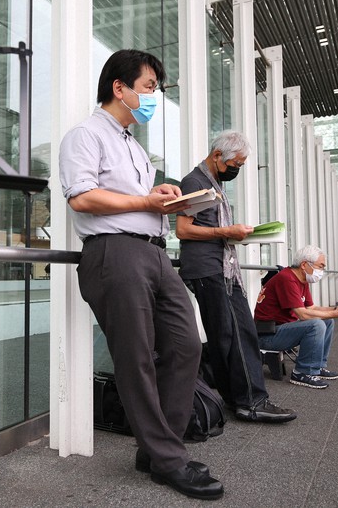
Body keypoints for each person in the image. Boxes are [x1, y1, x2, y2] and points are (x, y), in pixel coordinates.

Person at [59, 49, 222, 501]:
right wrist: (146, 202)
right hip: (114, 252)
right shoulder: (85, 135)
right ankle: (168, 460)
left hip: (152, 252)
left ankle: (157, 449)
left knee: (186, 343)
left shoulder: (133, 146)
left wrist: (160, 196)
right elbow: (83, 198)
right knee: (136, 357)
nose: (154, 96)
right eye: (150, 87)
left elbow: (130, 199)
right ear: (120, 88)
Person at [175, 130, 296, 425]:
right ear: (218, 156)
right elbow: (183, 230)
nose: (237, 170)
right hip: (211, 271)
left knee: (226, 338)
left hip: (220, 270)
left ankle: (238, 400)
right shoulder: (195, 182)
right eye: (236, 165)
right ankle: (252, 402)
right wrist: (226, 233)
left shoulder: (213, 182)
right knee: (241, 335)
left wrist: (237, 235)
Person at [254, 245, 338, 389]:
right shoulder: (287, 279)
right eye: (321, 266)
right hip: (267, 335)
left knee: (327, 321)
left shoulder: (301, 280)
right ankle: (302, 372)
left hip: (281, 330)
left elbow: (311, 308)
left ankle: (317, 367)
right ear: (304, 265)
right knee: (316, 325)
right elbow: (302, 313)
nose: (321, 271)